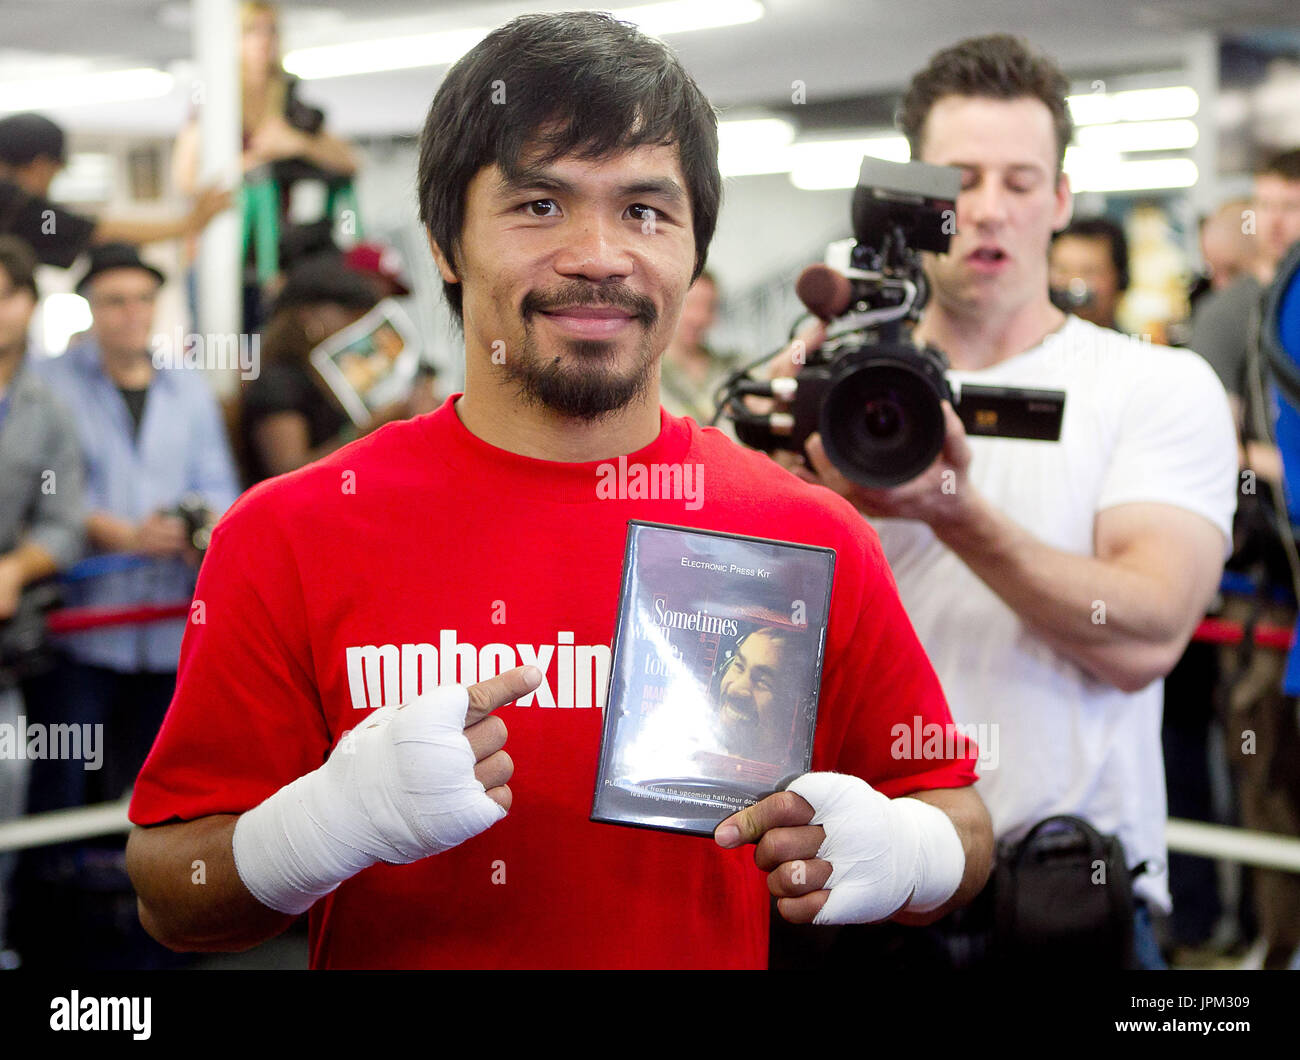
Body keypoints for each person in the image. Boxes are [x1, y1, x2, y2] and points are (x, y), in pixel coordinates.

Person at [124, 11, 993, 970]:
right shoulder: (291, 532)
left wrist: (905, 850)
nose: (598, 255)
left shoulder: (804, 533)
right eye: (540, 205)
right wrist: (323, 824)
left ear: (694, 249)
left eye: (645, 211)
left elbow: (955, 816)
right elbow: (170, 894)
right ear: (445, 244)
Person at [772, 34, 1237, 968]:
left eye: (1020, 181)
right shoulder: (831, 390)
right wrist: (784, 473)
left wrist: (954, 512)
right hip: (854, 883)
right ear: (914, 195)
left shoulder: (1152, 386)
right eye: (960, 180)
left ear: (1060, 198)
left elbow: (1148, 634)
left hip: (1063, 900)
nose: (987, 208)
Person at [0, 236, 86, 967]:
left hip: (6, 639)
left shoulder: (48, 410)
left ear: (28, 304)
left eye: (6, 295)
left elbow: (65, 523)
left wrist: (15, 567)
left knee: (10, 783)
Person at [0, 112, 228, 269]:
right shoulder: (20, 205)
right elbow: (102, 230)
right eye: (54, 173)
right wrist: (189, 223)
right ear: (40, 166)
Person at [237, 255, 383, 484]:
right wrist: (371, 429)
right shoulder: (278, 382)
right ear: (309, 316)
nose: (358, 331)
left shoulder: (320, 375)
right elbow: (288, 473)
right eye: (351, 317)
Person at [659, 270, 736, 423]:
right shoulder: (645, 375)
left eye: (709, 307)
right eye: (690, 304)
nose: (698, 317)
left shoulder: (733, 368)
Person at [1048, 216, 1128, 331]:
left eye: (1089, 272)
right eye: (1062, 271)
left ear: (1120, 280)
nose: (1073, 285)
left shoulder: (1133, 342)